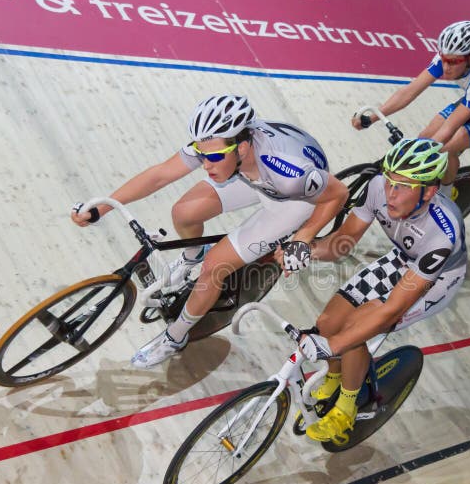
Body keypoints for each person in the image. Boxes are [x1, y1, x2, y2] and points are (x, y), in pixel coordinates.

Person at [72, 95, 348, 368]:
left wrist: (303, 238)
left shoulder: (291, 175)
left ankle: (175, 336)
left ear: (241, 148)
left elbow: (338, 195)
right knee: (183, 212)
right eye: (201, 154)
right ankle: (193, 256)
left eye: (213, 157)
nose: (205, 165)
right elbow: (161, 175)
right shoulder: (218, 142)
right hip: (249, 175)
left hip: (292, 201)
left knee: (214, 267)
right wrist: (101, 208)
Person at [297, 138, 467, 443]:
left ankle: (346, 408)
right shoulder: (377, 186)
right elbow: (344, 241)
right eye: (389, 181)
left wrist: (333, 346)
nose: (390, 193)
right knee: (327, 324)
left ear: (428, 191)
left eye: (402, 186)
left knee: (355, 330)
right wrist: (308, 251)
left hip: (435, 282)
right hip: (401, 260)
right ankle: (335, 378)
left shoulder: (442, 231)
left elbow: (392, 309)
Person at [352, 20, 470, 200]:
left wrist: (419, 154)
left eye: (453, 62)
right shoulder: (448, 57)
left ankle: (446, 195)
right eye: (444, 59)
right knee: (425, 136)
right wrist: (373, 117)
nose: (446, 67)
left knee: (447, 145)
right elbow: (409, 92)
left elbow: (449, 129)